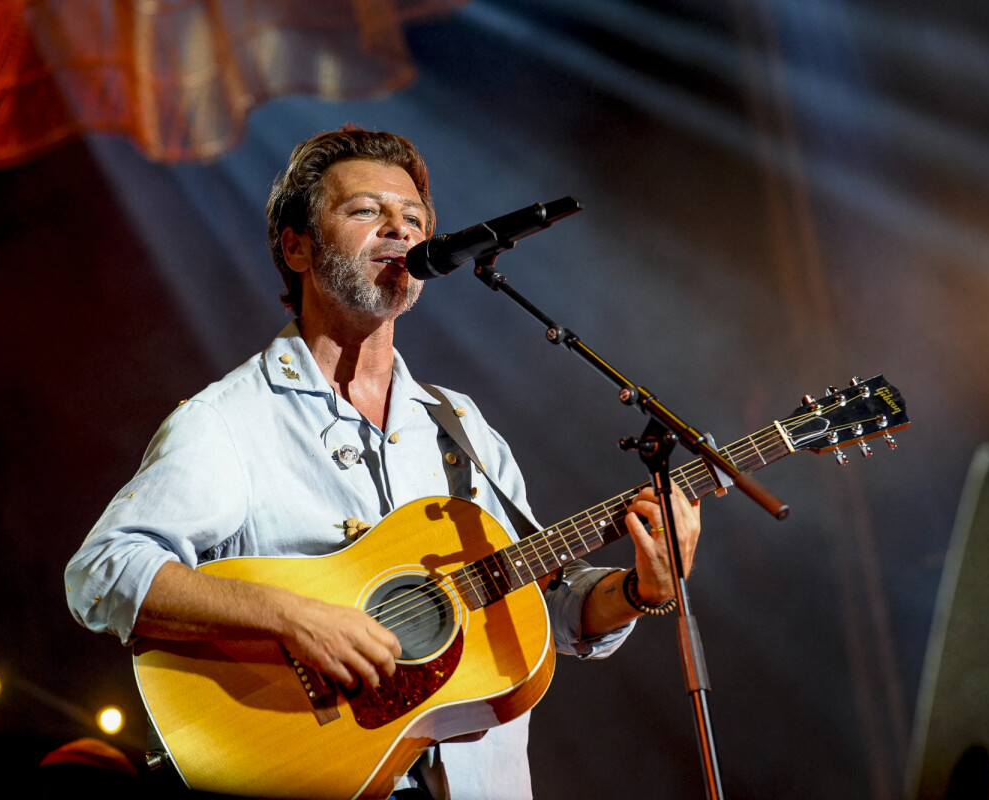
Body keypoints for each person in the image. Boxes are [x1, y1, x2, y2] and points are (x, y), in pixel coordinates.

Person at [65, 128, 701, 800]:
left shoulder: (460, 425)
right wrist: (293, 618)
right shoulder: (229, 419)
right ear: (297, 245)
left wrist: (639, 591)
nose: (399, 230)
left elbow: (544, 603)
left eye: (415, 219)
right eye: (366, 211)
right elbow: (103, 573)